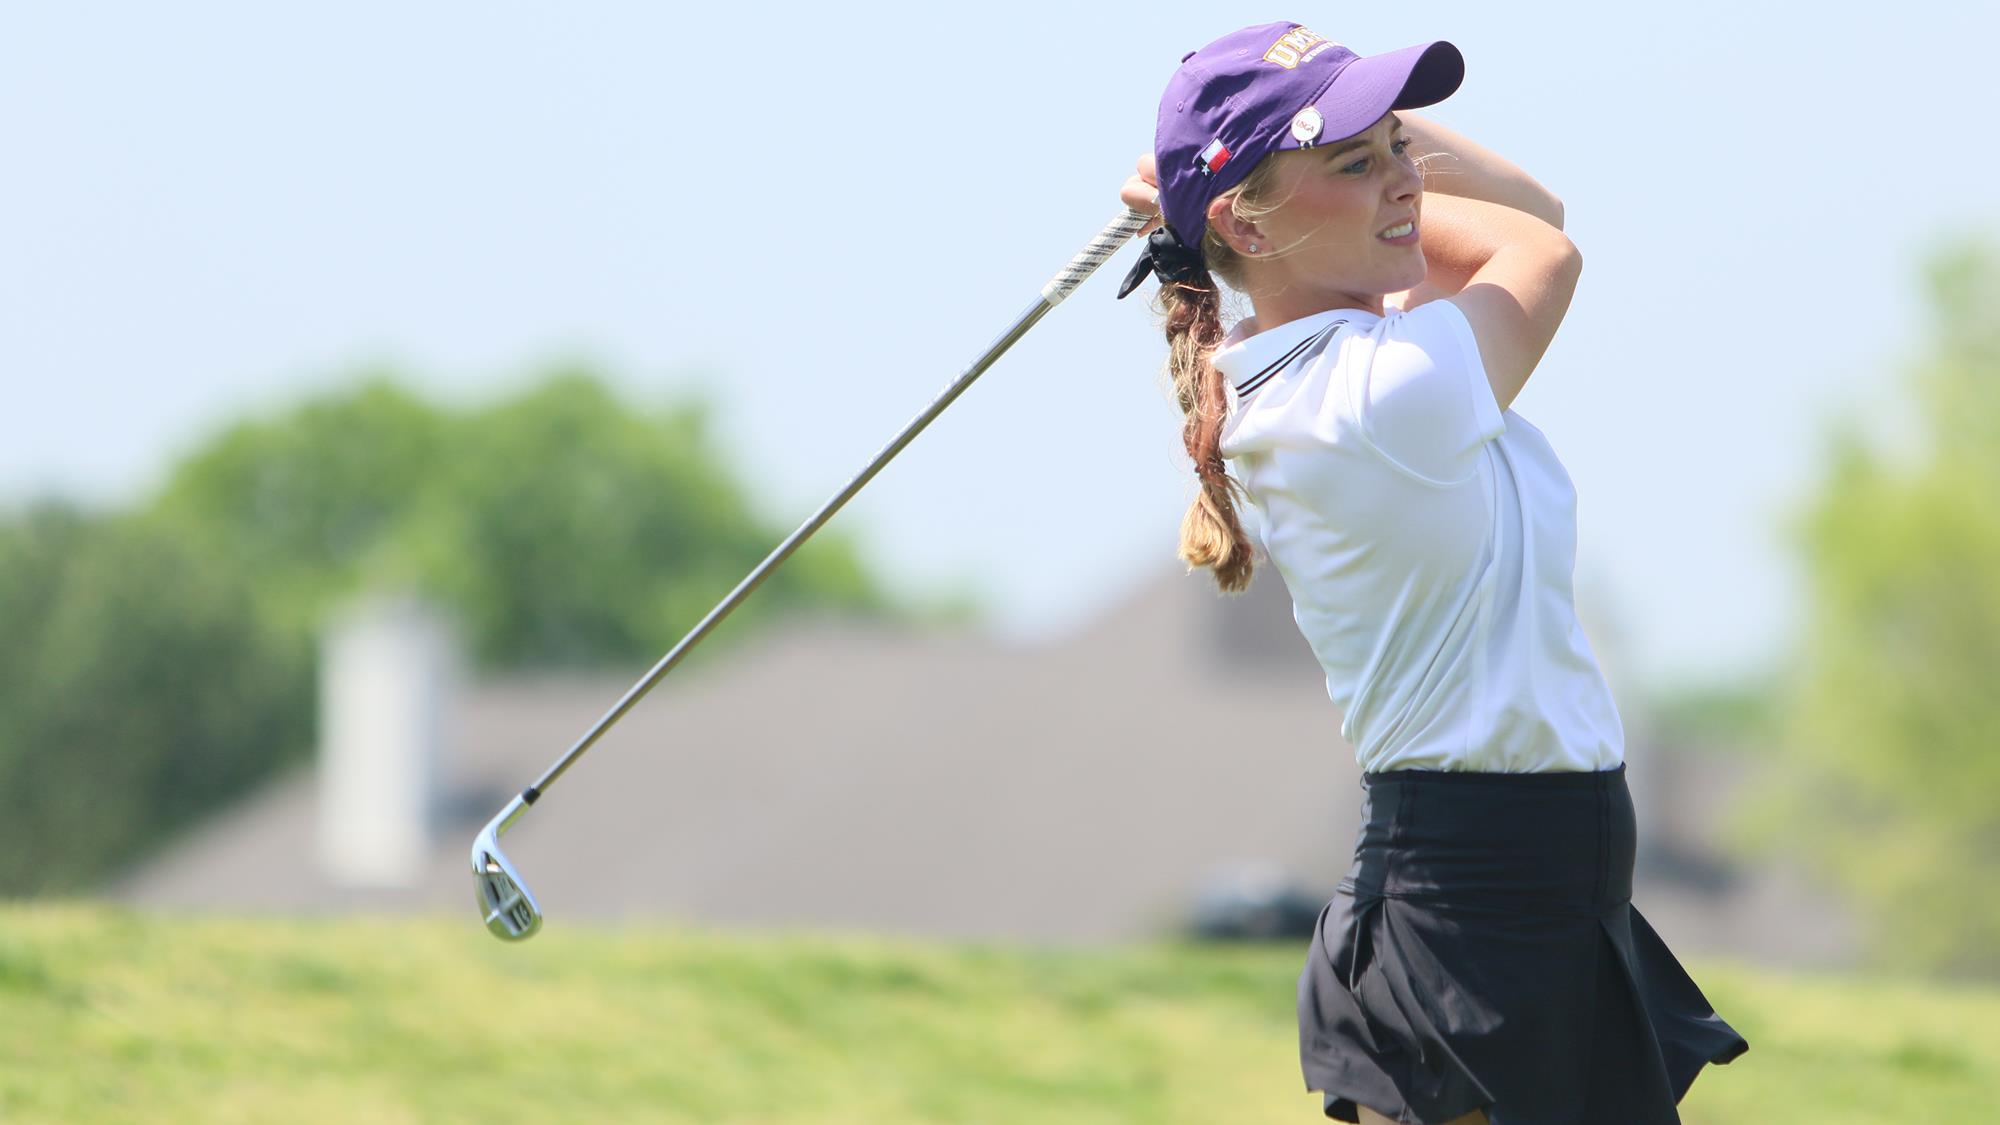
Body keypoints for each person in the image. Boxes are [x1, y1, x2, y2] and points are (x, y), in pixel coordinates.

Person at [1114, 22, 1749, 1125]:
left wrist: (1350, 144)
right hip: (1465, 907)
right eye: (1355, 164)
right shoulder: (1356, 403)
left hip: (1541, 889)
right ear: (1244, 221)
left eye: (1399, 146)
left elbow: (1531, 214)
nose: (1402, 182)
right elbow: (1539, 253)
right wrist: (1220, 190)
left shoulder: (1364, 353)